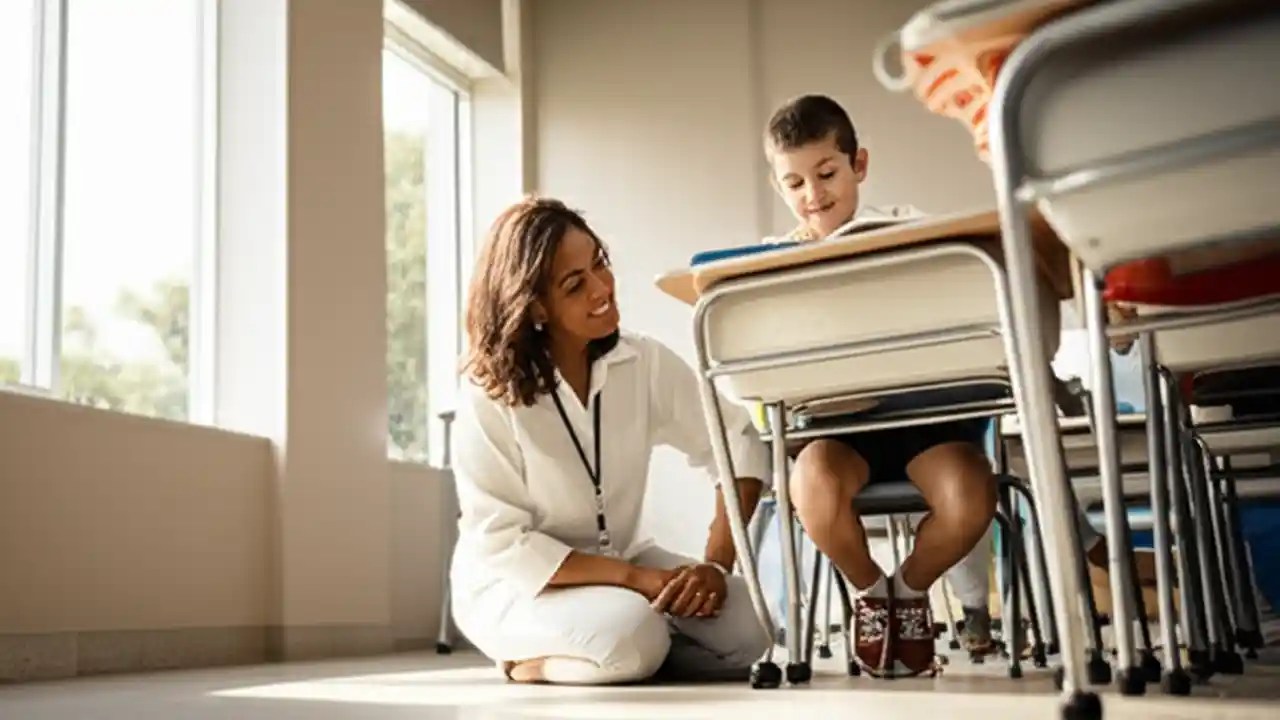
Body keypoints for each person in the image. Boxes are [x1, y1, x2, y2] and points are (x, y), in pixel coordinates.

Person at [449, 196, 773, 685]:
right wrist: (636, 580)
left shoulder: (643, 362)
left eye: (599, 264)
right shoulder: (488, 395)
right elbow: (502, 542)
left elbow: (737, 440)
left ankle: (625, 658)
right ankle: (528, 663)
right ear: (535, 306)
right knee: (633, 631)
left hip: (624, 569)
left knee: (751, 628)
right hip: (517, 586)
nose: (602, 288)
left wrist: (714, 565)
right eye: (575, 284)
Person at [760, 94, 1000, 678]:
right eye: (794, 183)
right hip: (838, 434)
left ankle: (909, 591)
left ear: (858, 165)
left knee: (971, 495)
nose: (812, 195)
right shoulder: (769, 264)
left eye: (827, 174)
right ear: (778, 186)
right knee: (811, 485)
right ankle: (872, 595)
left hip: (928, 425)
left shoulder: (911, 230)